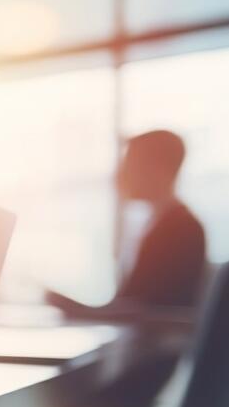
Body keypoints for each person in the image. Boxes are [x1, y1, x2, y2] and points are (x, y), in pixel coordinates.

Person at [48, 130, 206, 314]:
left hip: (155, 339)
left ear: (157, 168)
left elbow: (155, 308)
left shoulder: (183, 229)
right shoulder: (161, 224)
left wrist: (86, 312)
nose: (122, 174)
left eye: (130, 163)